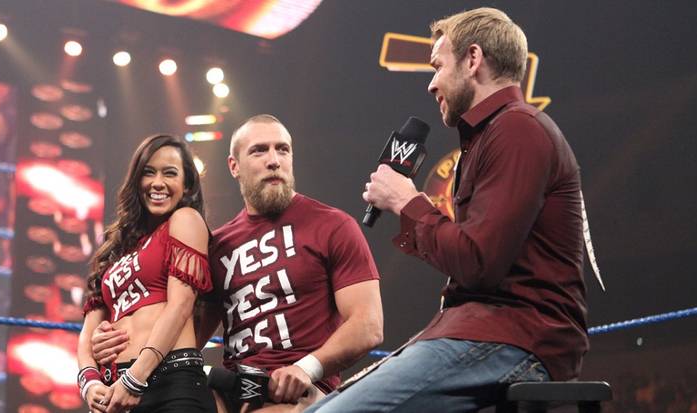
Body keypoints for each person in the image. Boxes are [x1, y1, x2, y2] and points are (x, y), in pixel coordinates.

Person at [307, 7, 589, 413]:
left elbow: (478, 262)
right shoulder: (497, 134)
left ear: (473, 59)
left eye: (437, 66)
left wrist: (408, 202)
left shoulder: (518, 129)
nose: (431, 84)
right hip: (486, 333)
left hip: (514, 337)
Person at [91, 115, 384, 413]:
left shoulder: (332, 225)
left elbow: (368, 326)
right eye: (259, 150)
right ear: (234, 166)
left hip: (299, 395)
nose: (274, 161)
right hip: (229, 390)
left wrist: (306, 368)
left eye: (282, 149)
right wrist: (115, 340)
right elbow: (186, 329)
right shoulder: (218, 244)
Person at [77, 134, 217, 413]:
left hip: (170, 383)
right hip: (116, 391)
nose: (157, 183)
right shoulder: (117, 248)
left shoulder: (185, 220)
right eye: (148, 172)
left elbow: (180, 306)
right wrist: (90, 383)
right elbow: (88, 332)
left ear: (187, 185)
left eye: (170, 173)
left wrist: (136, 378)